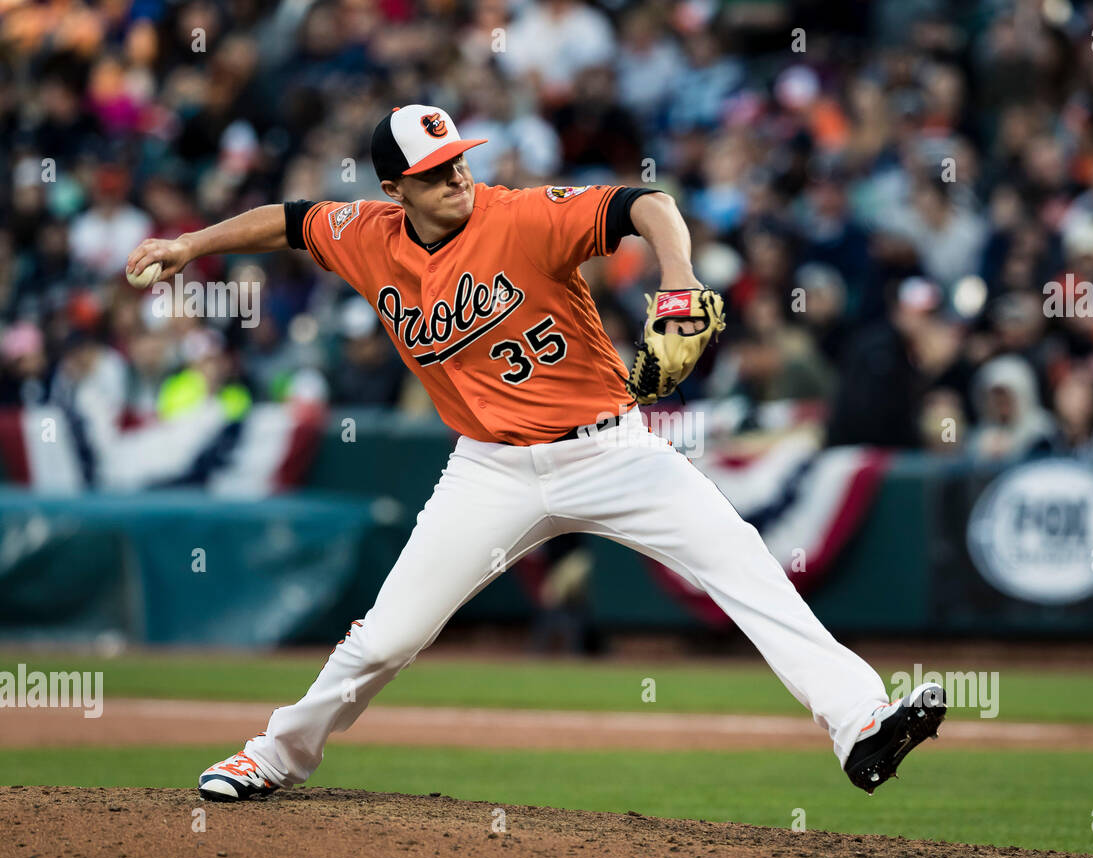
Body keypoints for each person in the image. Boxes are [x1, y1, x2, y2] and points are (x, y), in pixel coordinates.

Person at [125, 105, 946, 802]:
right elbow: (293, 219)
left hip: (612, 452)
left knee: (746, 566)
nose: (457, 179)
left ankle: (860, 723)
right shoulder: (367, 233)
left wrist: (681, 277)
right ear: (393, 190)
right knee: (385, 639)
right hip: (488, 470)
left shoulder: (520, 215)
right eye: (436, 171)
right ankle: (276, 755)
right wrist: (191, 244)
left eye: (458, 162)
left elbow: (645, 203)